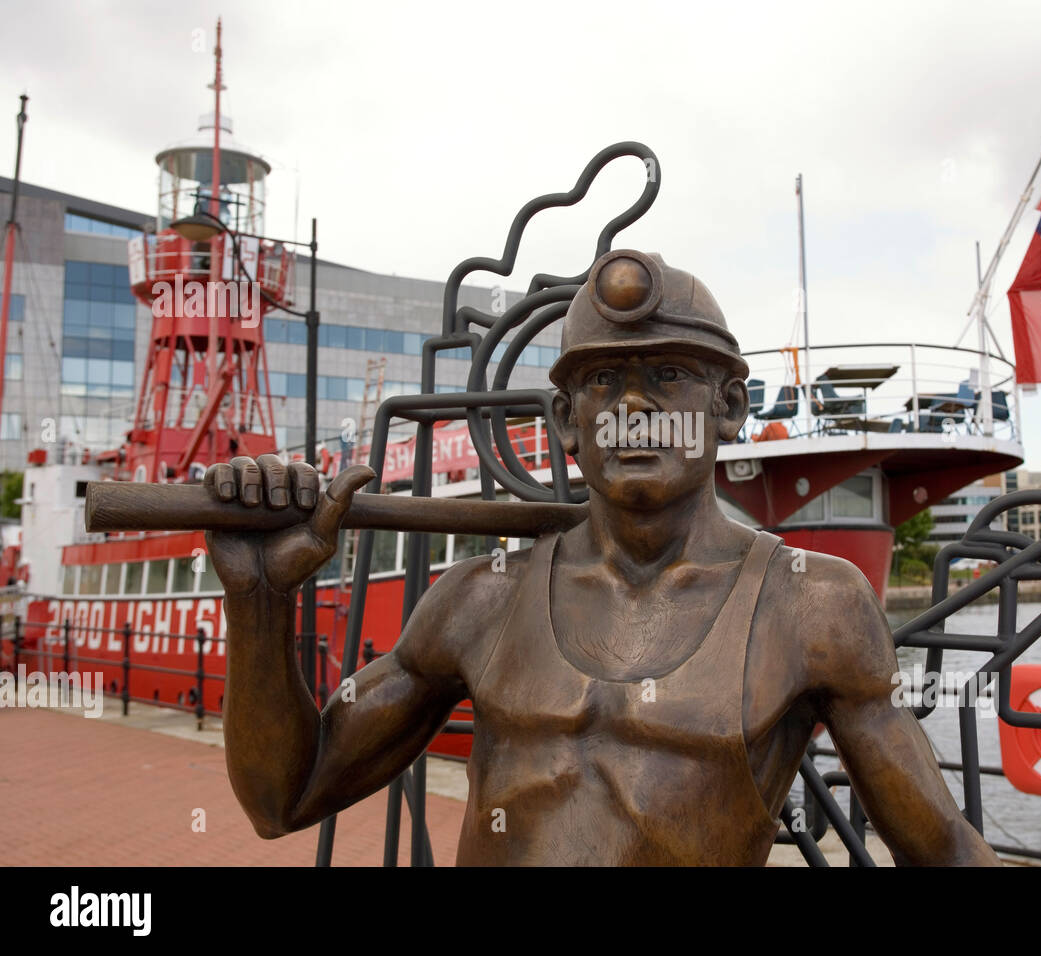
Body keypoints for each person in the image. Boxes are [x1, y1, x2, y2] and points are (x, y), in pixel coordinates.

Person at [205, 250, 1000, 866]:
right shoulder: (479, 601)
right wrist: (260, 599)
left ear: (728, 408)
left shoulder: (812, 607)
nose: (633, 406)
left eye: (668, 374)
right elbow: (284, 796)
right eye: (603, 381)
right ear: (567, 419)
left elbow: (944, 851)